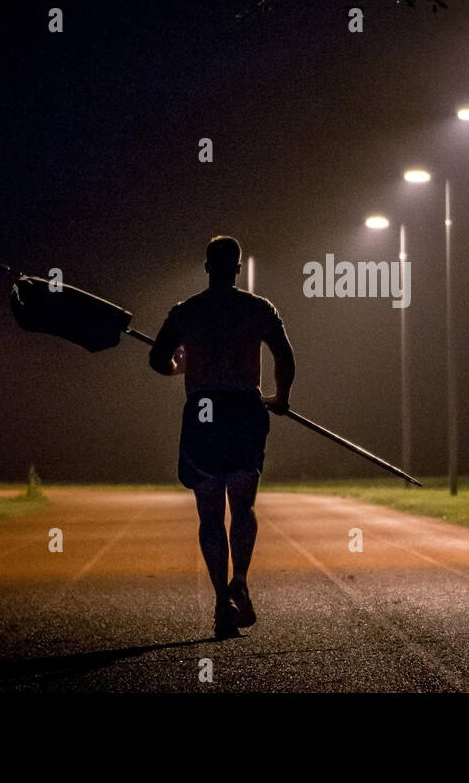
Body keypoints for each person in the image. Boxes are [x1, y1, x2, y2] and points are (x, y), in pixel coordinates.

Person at [149, 236, 295, 639]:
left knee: (210, 513)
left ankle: (219, 603)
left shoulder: (185, 312)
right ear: (237, 267)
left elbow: (156, 358)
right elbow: (284, 356)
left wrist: (178, 368)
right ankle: (241, 580)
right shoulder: (258, 308)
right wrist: (280, 398)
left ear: (206, 266)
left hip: (204, 411)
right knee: (243, 507)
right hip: (245, 409)